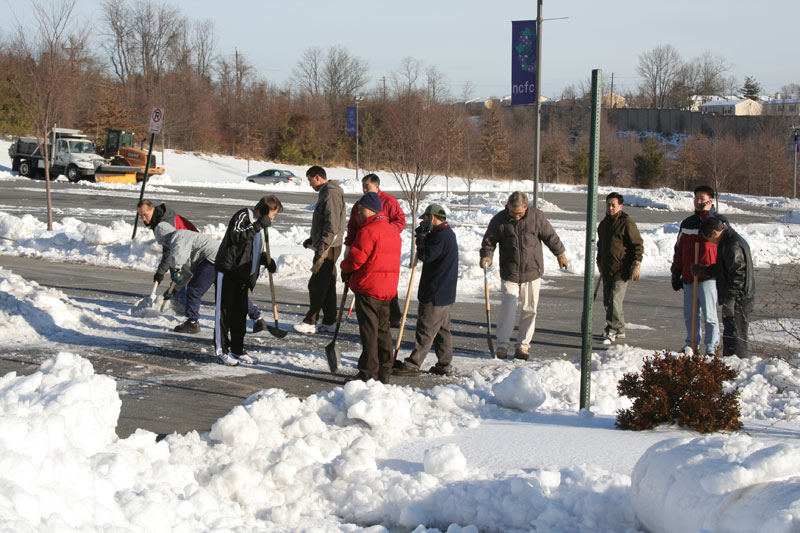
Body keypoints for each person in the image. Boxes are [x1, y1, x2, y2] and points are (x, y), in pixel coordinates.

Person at [479, 191, 568, 360]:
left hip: (532, 270)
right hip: (510, 271)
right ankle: (502, 345)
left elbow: (550, 236)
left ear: (526, 207)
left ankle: (523, 346)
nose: (516, 216)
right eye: (513, 212)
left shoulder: (537, 217)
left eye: (519, 213)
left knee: (530, 309)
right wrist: (486, 256)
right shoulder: (499, 219)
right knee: (508, 307)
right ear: (508, 206)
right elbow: (489, 241)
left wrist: (560, 254)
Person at [340, 192, 402, 383]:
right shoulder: (392, 231)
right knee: (383, 330)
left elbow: (356, 258)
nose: (359, 212)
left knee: (369, 331)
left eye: (361, 209)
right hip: (387, 289)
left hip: (369, 288)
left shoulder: (368, 231)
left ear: (371, 209)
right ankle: (385, 370)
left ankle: (368, 372)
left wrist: (345, 268)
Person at [214, 195, 281, 366]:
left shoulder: (260, 227)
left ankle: (237, 349)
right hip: (228, 271)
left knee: (239, 315)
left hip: (242, 277)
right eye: (273, 214)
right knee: (224, 313)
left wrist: (266, 260)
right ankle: (222, 350)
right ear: (264, 210)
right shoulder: (244, 215)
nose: (273, 219)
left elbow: (252, 250)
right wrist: (258, 225)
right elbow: (236, 236)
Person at [393, 204, 458, 376]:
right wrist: (425, 237)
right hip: (444, 292)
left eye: (426, 219)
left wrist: (421, 238)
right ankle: (444, 364)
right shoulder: (445, 234)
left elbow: (426, 255)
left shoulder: (442, 236)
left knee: (426, 330)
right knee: (442, 331)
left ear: (432, 217)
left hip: (435, 292)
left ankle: (413, 363)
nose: (425, 222)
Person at [670, 185, 728, 355]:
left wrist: (706, 215)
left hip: (708, 276)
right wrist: (676, 271)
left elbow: (724, 245)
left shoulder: (719, 221)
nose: (698, 202)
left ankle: (711, 348)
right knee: (690, 315)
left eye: (702, 198)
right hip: (689, 275)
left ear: (710, 200)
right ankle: (692, 345)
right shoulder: (687, 223)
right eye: (696, 198)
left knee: (709, 316)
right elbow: (679, 249)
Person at [344, 173, 406, 327]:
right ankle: (368, 313)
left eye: (367, 186)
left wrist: (386, 233)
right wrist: (349, 245)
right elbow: (352, 226)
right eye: (363, 186)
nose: (365, 189)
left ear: (377, 186)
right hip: (363, 244)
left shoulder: (388, 201)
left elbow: (400, 220)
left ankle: (393, 316)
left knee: (384, 280)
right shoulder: (360, 204)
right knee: (365, 279)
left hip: (383, 247)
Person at [294, 166, 346, 335]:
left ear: (317, 177)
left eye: (310, 180)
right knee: (327, 283)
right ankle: (329, 321)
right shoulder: (326, 192)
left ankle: (310, 322)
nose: (310, 184)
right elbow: (324, 221)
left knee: (316, 284)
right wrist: (314, 239)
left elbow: (332, 223)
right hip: (328, 244)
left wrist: (323, 244)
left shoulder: (331, 193)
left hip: (329, 247)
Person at [694, 217, 755, 357]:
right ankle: (729, 361)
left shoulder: (732, 245)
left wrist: (730, 299)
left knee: (736, 335)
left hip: (739, 298)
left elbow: (738, 275)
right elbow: (724, 269)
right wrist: (705, 270)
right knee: (729, 334)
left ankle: (738, 363)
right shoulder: (726, 241)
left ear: (715, 232)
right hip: (735, 296)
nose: (709, 241)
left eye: (708, 238)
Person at [153, 225, 225, 334]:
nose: (165, 246)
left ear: (164, 238)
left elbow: (178, 256)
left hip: (212, 259)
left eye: (163, 243)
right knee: (228, 291)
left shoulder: (179, 236)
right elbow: (186, 272)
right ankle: (253, 315)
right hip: (220, 258)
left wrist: (175, 269)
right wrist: (174, 290)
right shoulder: (184, 242)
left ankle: (192, 322)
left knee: (194, 290)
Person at [596, 192, 644, 344]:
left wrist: (636, 264)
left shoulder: (626, 222)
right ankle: (620, 329)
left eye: (613, 205)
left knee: (614, 300)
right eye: (608, 205)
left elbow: (637, 244)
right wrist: (599, 261)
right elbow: (601, 246)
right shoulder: (603, 224)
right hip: (607, 268)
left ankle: (612, 329)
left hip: (621, 270)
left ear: (620, 206)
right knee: (607, 302)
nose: (610, 208)